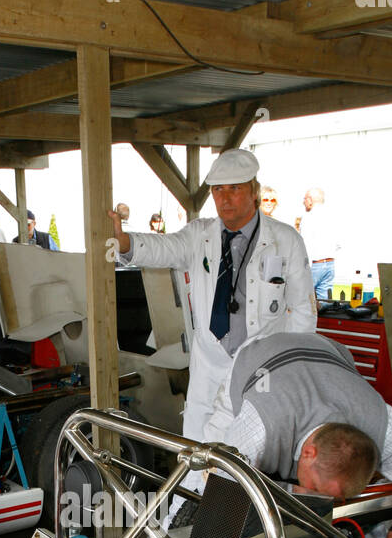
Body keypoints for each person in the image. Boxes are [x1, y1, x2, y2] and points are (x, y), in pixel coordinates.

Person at [108, 148, 315, 439]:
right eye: (218, 189)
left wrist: (289, 366)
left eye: (235, 188)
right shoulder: (199, 235)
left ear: (254, 192)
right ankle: (196, 487)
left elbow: (302, 310)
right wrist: (126, 242)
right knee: (199, 448)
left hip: (261, 364)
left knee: (254, 447)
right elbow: (165, 248)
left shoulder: (285, 240)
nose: (225, 198)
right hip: (210, 362)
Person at [222, 332, 392, 538]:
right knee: (206, 465)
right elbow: (222, 485)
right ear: (308, 453)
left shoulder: (383, 426)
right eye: (318, 489)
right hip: (255, 360)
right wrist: (286, 492)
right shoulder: (259, 425)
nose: (322, 500)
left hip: (325, 351)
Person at [300, 187, 340, 300]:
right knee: (324, 303)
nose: (303, 202)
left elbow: (304, 245)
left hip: (314, 265)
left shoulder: (308, 217)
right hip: (330, 264)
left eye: (304, 199)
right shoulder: (333, 216)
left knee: (304, 301)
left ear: (310, 200)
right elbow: (338, 244)